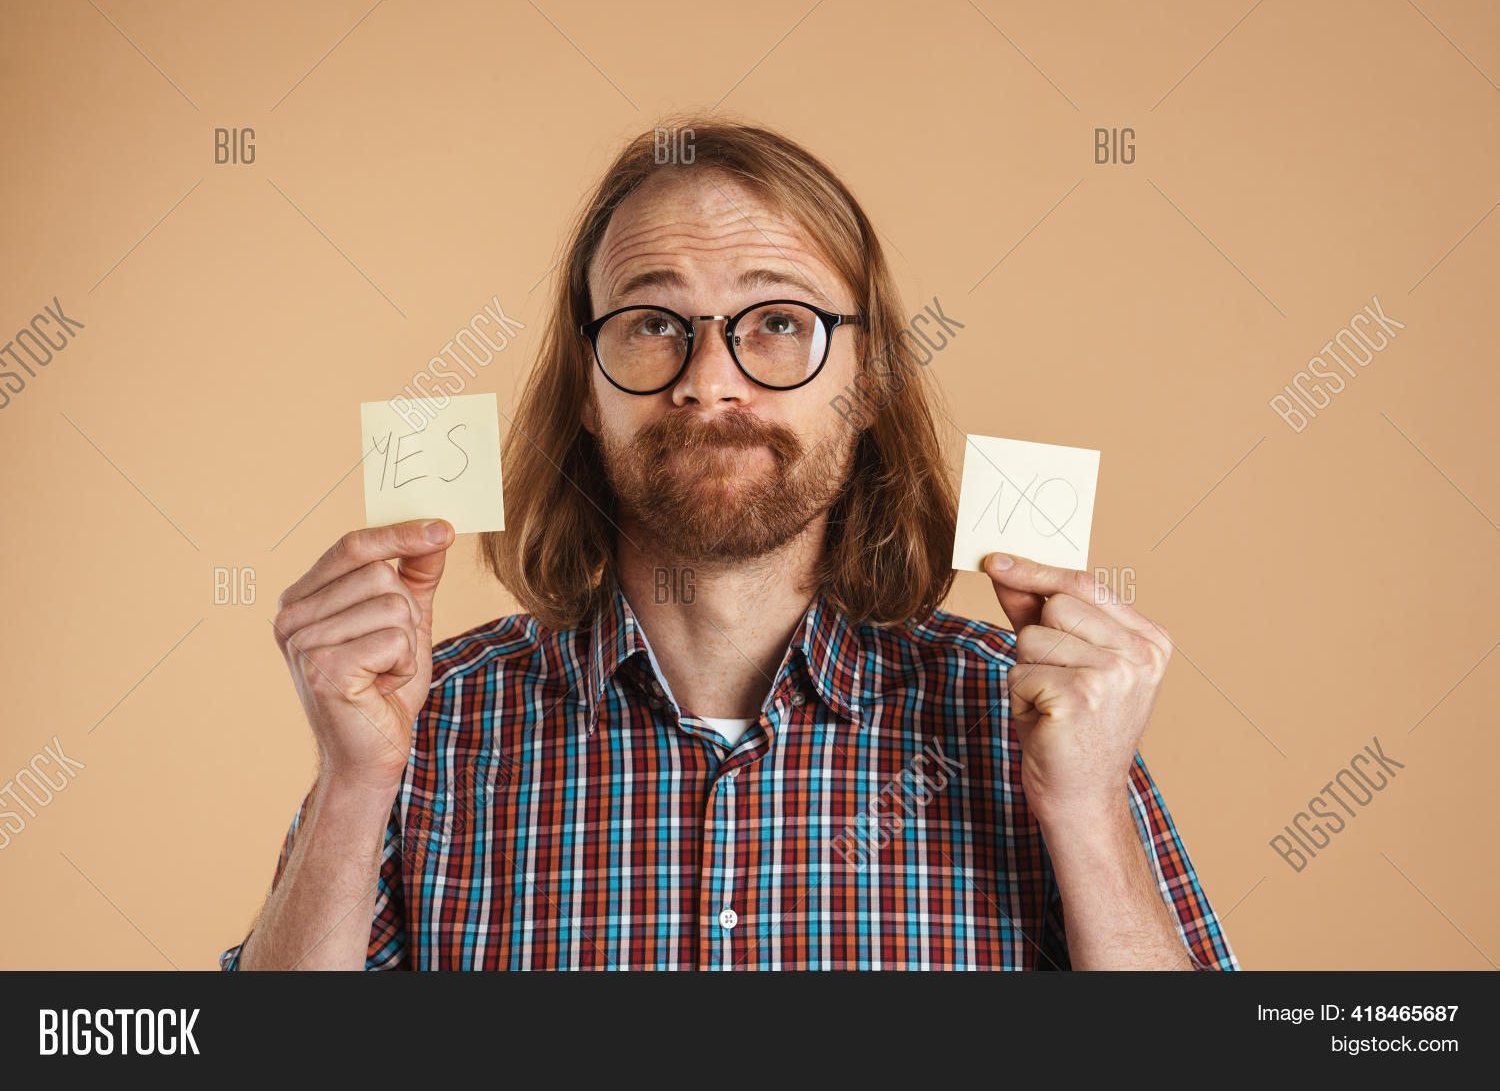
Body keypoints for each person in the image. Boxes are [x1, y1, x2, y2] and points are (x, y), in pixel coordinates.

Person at [223, 116, 1238, 970]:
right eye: (653, 323)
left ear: (870, 381)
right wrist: (355, 790)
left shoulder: (1037, 733)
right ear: (585, 385)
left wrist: (1092, 811)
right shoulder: (425, 737)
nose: (710, 382)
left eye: (780, 322)